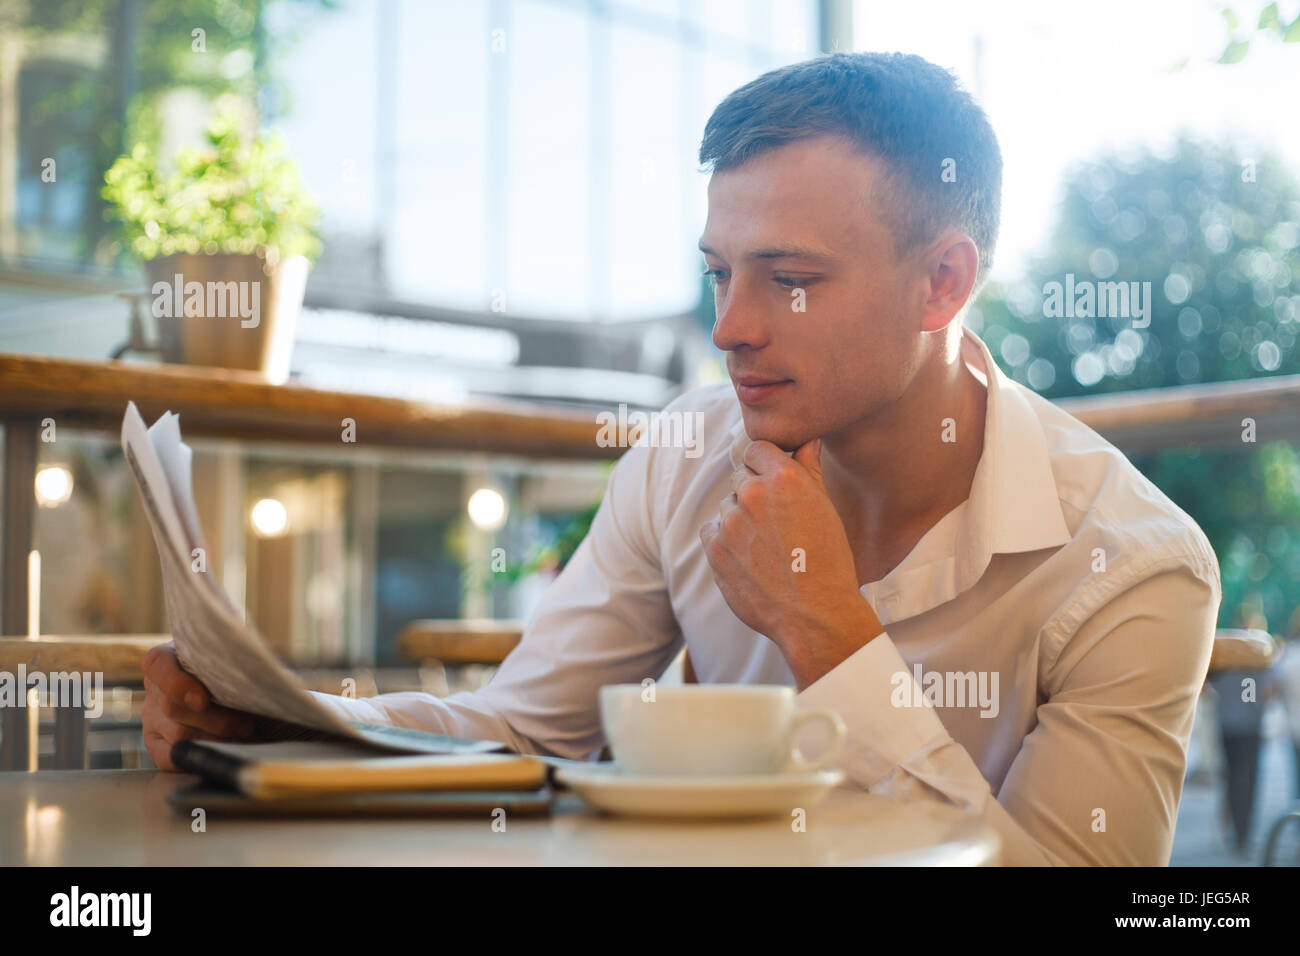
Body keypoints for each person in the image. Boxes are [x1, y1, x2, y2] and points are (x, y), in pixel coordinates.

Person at [141, 51, 1221, 866]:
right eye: (718, 272)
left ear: (942, 282)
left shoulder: (1133, 567)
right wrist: (294, 718)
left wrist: (826, 631)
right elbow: (523, 724)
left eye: (788, 278)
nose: (730, 327)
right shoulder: (685, 455)